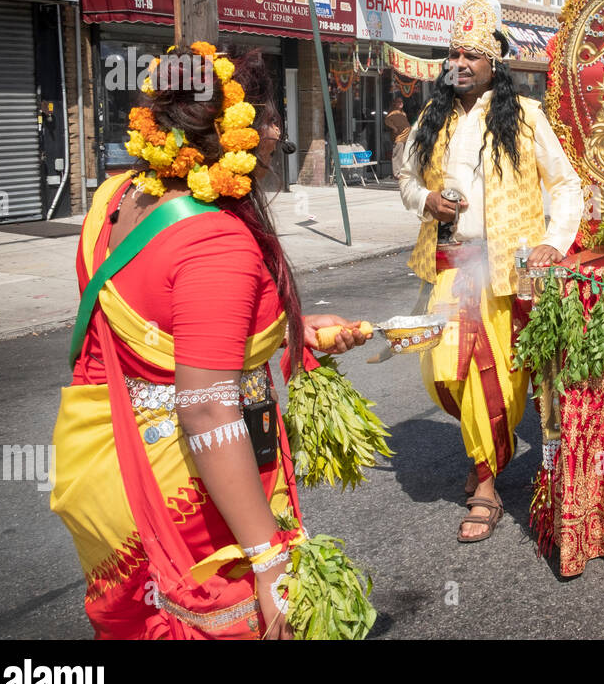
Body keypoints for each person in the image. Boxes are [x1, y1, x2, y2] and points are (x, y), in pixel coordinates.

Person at [51, 44, 368, 639]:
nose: (276, 133)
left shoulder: (114, 198)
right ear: (237, 136)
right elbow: (204, 407)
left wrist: (292, 330)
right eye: (267, 118)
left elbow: (166, 324)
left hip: (108, 471)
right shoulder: (215, 243)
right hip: (187, 492)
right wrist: (268, 561)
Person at [405, 0, 583, 542]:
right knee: (442, 376)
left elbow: (566, 185)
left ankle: (485, 484)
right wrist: (425, 201)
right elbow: (407, 181)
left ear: (494, 64)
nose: (459, 65)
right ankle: (487, 450)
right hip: (448, 264)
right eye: (453, 55)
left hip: (507, 269)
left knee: (495, 378)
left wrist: (555, 242)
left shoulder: (526, 117)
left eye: (471, 57)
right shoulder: (430, 118)